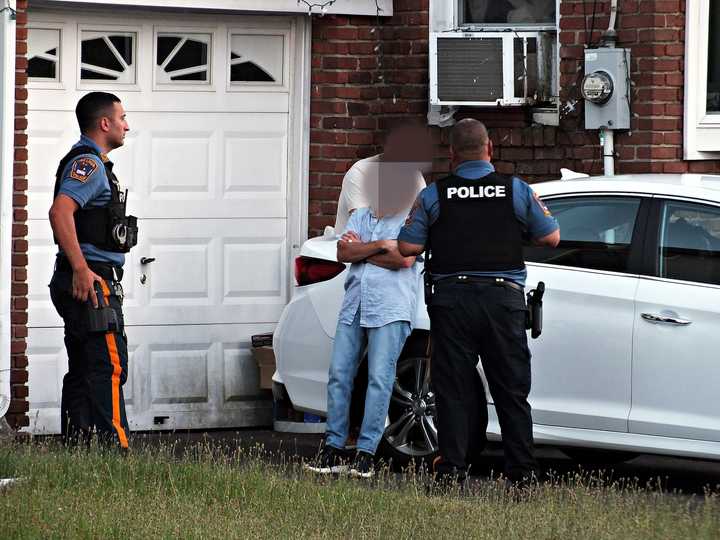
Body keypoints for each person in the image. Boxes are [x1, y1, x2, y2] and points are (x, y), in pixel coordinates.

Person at [398, 119, 560, 486]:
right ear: (490, 149)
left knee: (453, 390)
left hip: (453, 302)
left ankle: (452, 470)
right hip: (504, 301)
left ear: (452, 155)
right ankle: (521, 474)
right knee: (511, 390)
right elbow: (551, 236)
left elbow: (408, 247)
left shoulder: (434, 195)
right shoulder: (516, 190)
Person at [307, 171, 421, 479]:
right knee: (339, 375)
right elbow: (343, 252)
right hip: (355, 304)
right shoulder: (360, 217)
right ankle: (334, 446)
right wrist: (381, 245)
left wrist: (364, 251)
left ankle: (366, 453)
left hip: (390, 307)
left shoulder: (409, 220)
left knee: (379, 379)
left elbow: (405, 260)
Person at [48, 92, 136, 449]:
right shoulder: (89, 165)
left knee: (85, 368)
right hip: (91, 280)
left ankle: (79, 450)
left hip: (82, 277)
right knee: (109, 367)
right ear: (104, 123)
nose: (126, 125)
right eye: (122, 118)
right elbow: (60, 211)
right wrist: (82, 269)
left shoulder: (94, 163)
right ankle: (117, 450)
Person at [334, 124, 431, 234]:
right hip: (351, 247)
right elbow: (363, 230)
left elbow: (422, 223)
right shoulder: (360, 172)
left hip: (395, 247)